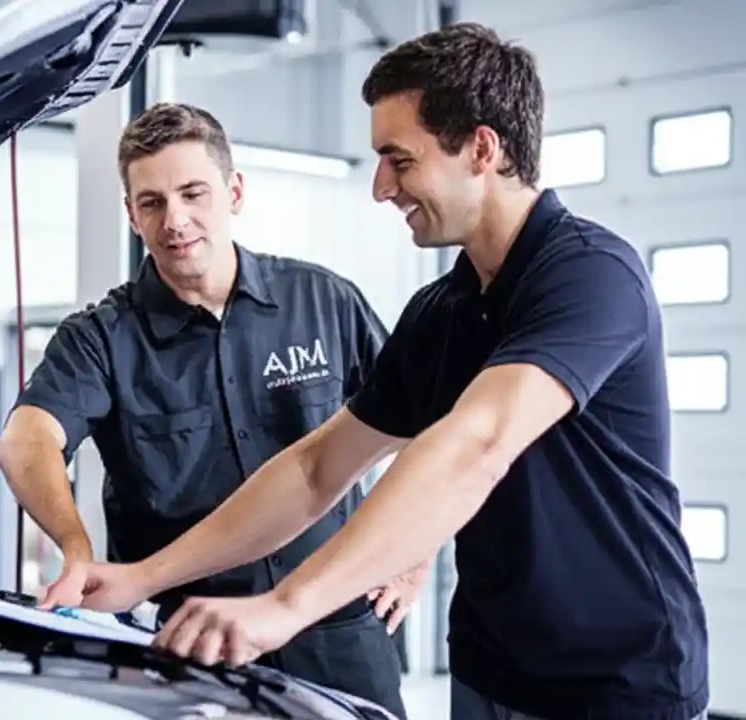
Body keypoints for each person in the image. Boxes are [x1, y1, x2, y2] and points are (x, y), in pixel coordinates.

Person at [64, 24, 711, 720]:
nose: (380, 187)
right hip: (492, 672)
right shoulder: (441, 310)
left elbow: (477, 443)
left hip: (618, 684)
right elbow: (317, 468)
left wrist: (288, 607)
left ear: (482, 149)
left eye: (398, 160)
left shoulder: (591, 274)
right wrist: (142, 578)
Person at [0, 101, 415, 718]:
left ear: (234, 191)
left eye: (194, 193)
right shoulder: (100, 338)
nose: (176, 220)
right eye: (153, 202)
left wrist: (411, 556)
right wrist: (75, 547)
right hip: (192, 644)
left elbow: (423, 429)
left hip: (338, 629)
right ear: (132, 215)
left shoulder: (323, 301)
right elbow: (24, 442)